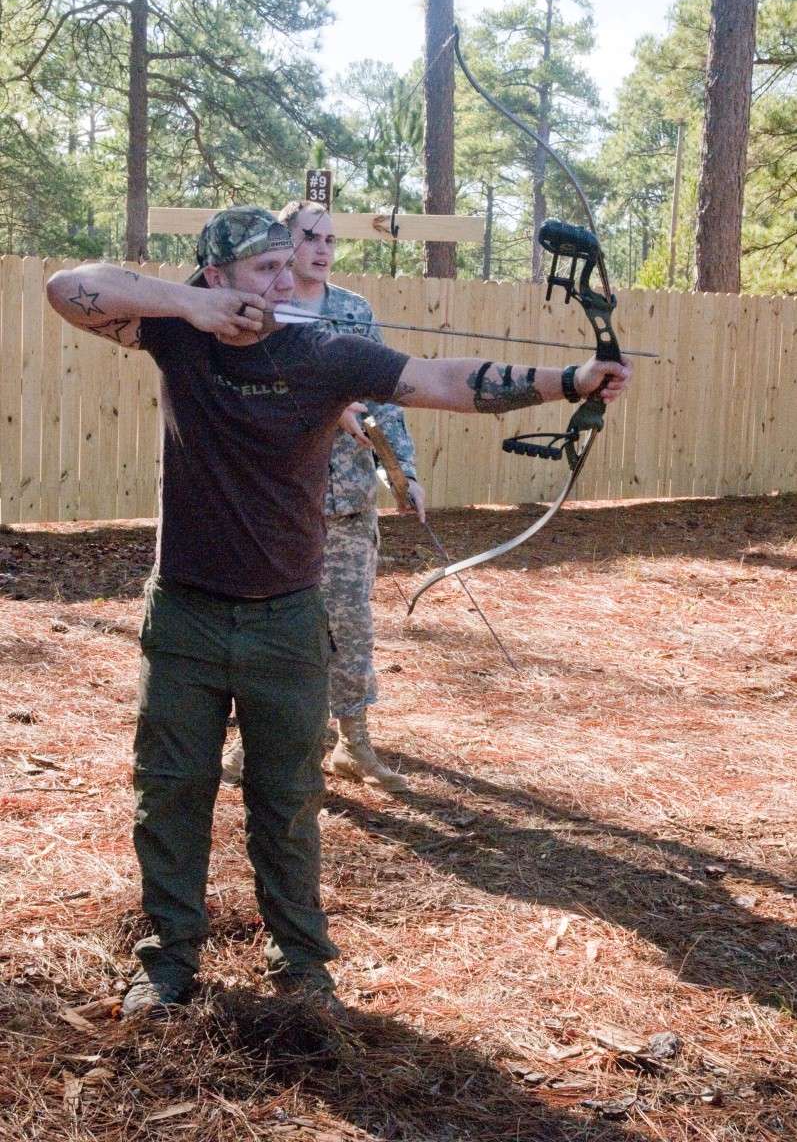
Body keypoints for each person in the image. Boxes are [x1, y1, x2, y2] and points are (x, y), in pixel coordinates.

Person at [46, 206, 632, 1018]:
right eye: (262, 269)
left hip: (289, 613)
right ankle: (168, 959)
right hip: (183, 611)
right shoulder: (173, 334)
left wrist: (567, 381)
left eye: (289, 264)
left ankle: (302, 966)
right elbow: (66, 288)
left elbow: (437, 380)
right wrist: (185, 307)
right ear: (215, 277)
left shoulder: (324, 351)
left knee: (285, 803)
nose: (286, 281)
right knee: (169, 794)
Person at [222, 199, 422, 795]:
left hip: (348, 503)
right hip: (276, 505)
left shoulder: (353, 311)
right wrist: (330, 406)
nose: (322, 248)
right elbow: (246, 394)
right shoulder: (259, 310)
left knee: (350, 626)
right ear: (285, 242)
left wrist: (402, 470)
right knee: (267, 630)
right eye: (310, 236)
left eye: (331, 239)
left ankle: (353, 743)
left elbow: (386, 390)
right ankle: (251, 744)